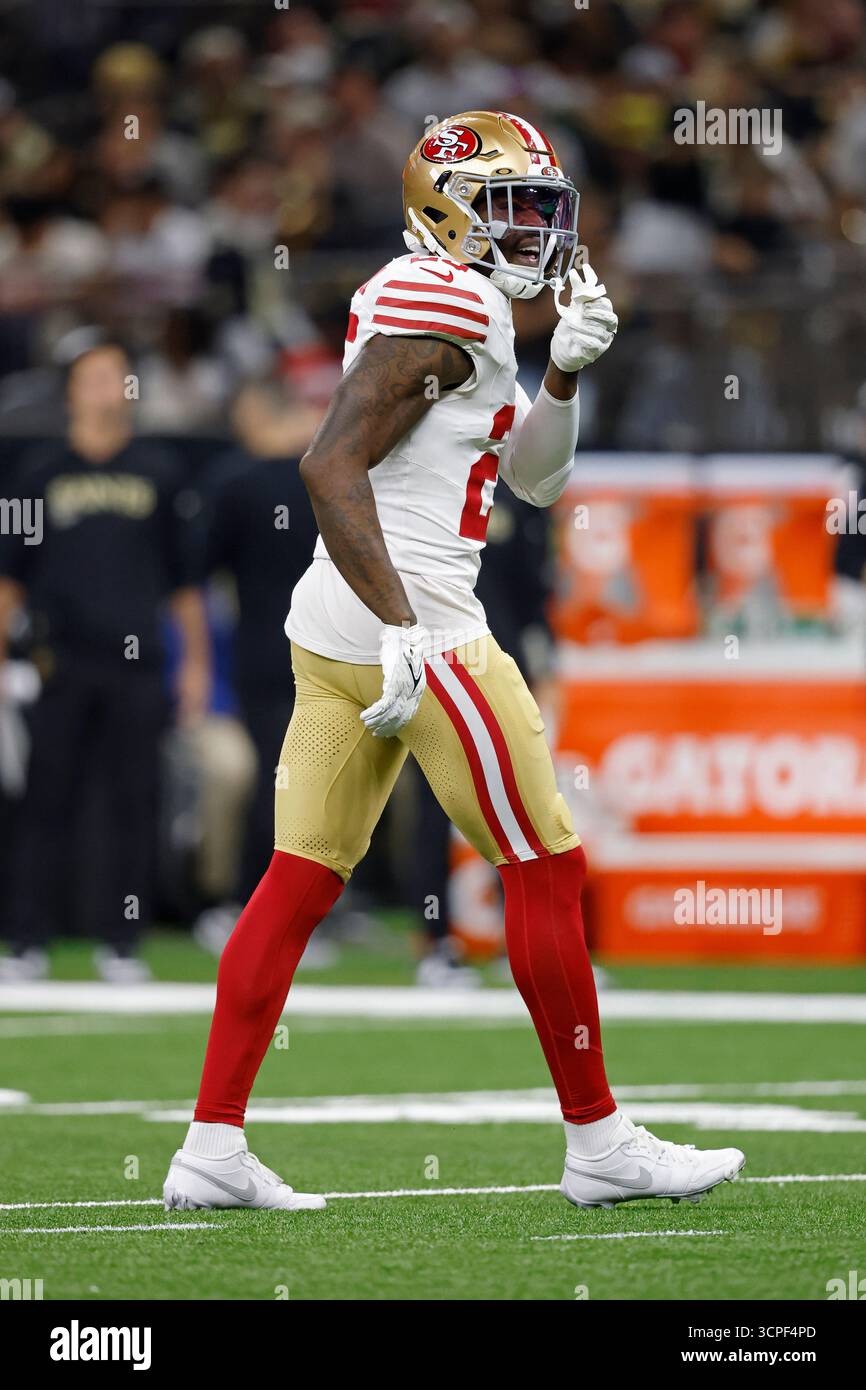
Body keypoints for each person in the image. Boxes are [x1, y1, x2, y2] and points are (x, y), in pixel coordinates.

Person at [164, 112, 744, 1213]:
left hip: (334, 623)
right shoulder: (451, 295)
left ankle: (211, 1145)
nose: (533, 230)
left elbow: (527, 482)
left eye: (541, 207)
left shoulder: (443, 293)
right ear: (445, 209)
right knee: (544, 865)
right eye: (510, 207)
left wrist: (565, 376)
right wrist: (406, 629)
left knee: (297, 881)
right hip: (415, 618)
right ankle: (599, 1142)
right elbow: (326, 465)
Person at [0, 340, 210, 982]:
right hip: (58, 663)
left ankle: (123, 942)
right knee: (44, 799)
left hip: (139, 664)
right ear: (71, 391)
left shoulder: (160, 472)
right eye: (93, 378)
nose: (107, 389)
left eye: (118, 378)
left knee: (134, 801)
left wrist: (194, 663)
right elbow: (8, 580)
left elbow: (184, 585)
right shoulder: (36, 474)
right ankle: (27, 939)